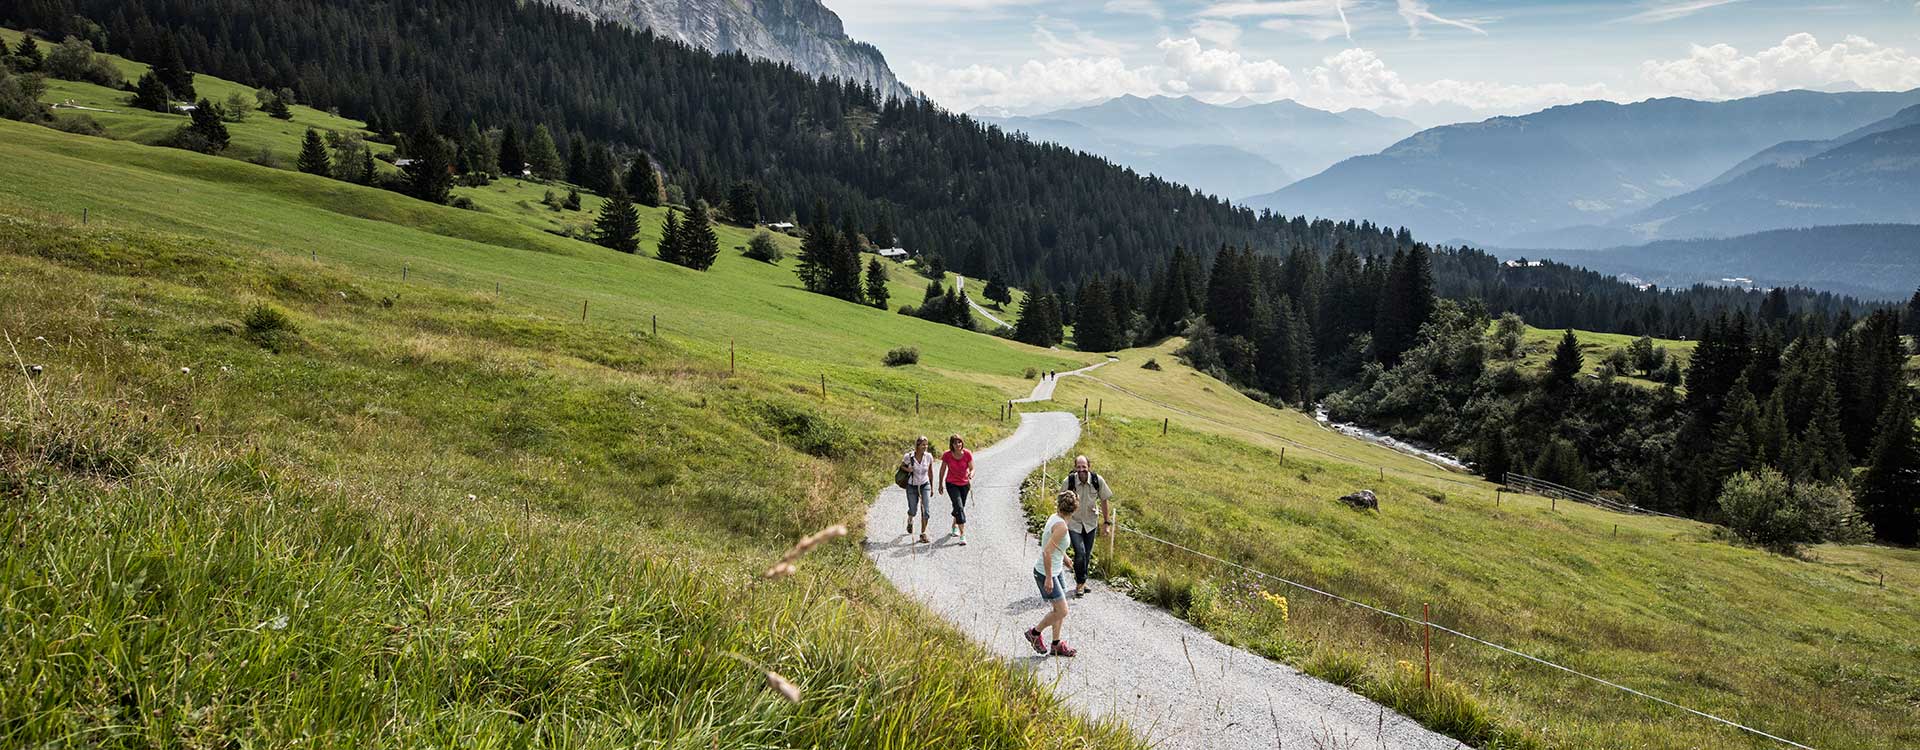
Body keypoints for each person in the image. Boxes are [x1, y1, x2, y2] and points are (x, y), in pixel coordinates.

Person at [1025, 490, 1078, 657]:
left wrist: (1065, 557)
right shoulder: (1062, 526)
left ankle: (1056, 644)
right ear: (1075, 509)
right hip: (1046, 572)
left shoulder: (1055, 518)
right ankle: (1034, 633)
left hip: (1055, 569)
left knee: (1058, 609)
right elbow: (1047, 552)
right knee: (1062, 611)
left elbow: (1054, 545)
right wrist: (1048, 578)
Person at [1060, 454, 1114, 597]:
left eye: (1084, 467)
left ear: (1089, 467)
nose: (1081, 470)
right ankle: (1080, 584)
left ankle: (1082, 580)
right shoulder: (1069, 481)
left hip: (1091, 523)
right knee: (1080, 553)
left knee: (1087, 555)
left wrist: (1106, 523)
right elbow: (1061, 503)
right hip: (1074, 523)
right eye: (1078, 467)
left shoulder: (1097, 481)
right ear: (1075, 468)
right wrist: (1060, 523)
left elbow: (1104, 501)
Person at [936, 434, 974, 545]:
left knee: (959, 507)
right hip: (951, 484)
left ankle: (954, 525)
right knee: (959, 506)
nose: (957, 445)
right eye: (955, 443)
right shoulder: (947, 455)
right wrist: (940, 484)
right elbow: (942, 469)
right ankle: (963, 535)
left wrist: (971, 474)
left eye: (959, 442)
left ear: (962, 443)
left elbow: (972, 468)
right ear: (951, 444)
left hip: (964, 484)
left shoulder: (967, 454)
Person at [901, 436, 936, 543]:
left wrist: (932, 487)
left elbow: (930, 472)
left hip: (925, 485)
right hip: (912, 486)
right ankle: (910, 519)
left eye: (926, 444)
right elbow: (901, 466)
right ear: (917, 446)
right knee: (913, 510)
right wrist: (908, 469)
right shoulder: (909, 457)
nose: (925, 447)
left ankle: (923, 533)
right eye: (923, 445)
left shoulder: (928, 457)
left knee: (926, 511)